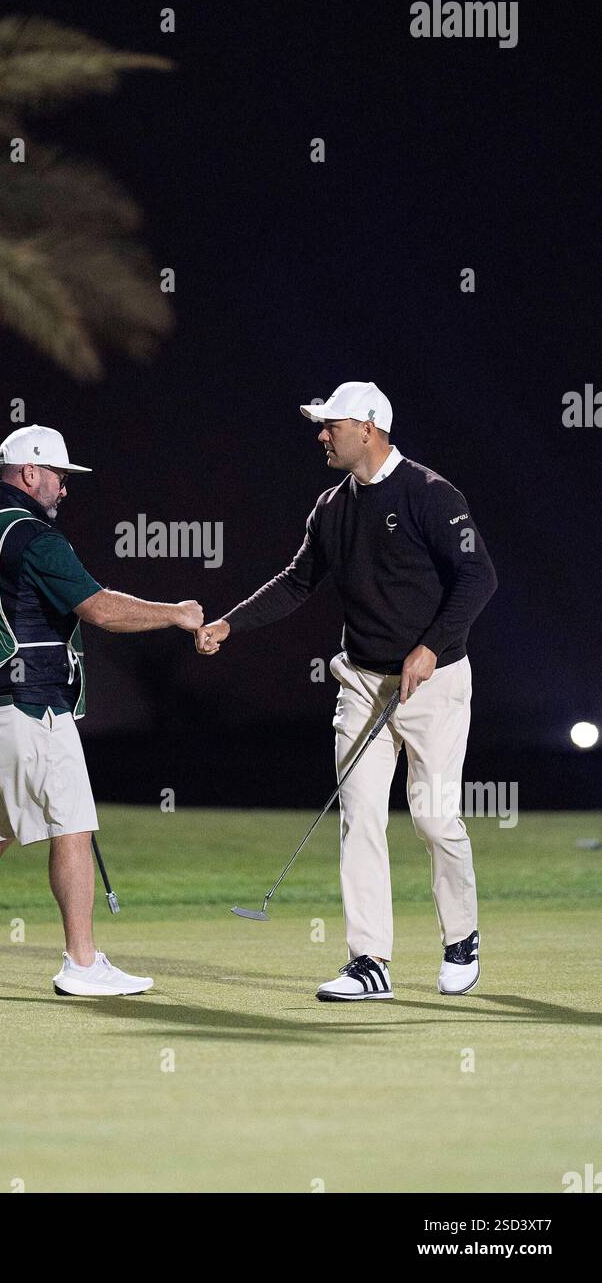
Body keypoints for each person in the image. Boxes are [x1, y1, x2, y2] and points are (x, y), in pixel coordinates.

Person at [195, 382, 497, 1002]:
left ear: (368, 426)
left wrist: (432, 645)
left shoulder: (433, 495)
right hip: (360, 683)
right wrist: (230, 622)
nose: (321, 435)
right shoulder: (331, 507)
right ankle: (370, 962)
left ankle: (460, 938)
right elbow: (296, 581)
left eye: (330, 424)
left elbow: (479, 576)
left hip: (434, 685)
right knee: (360, 817)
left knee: (435, 818)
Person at [0, 424, 203, 997]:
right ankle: (82, 964)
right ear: (30, 473)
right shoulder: (34, 535)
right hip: (29, 701)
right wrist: (177, 613)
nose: (65, 488)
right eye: (60, 476)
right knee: (73, 825)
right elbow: (102, 610)